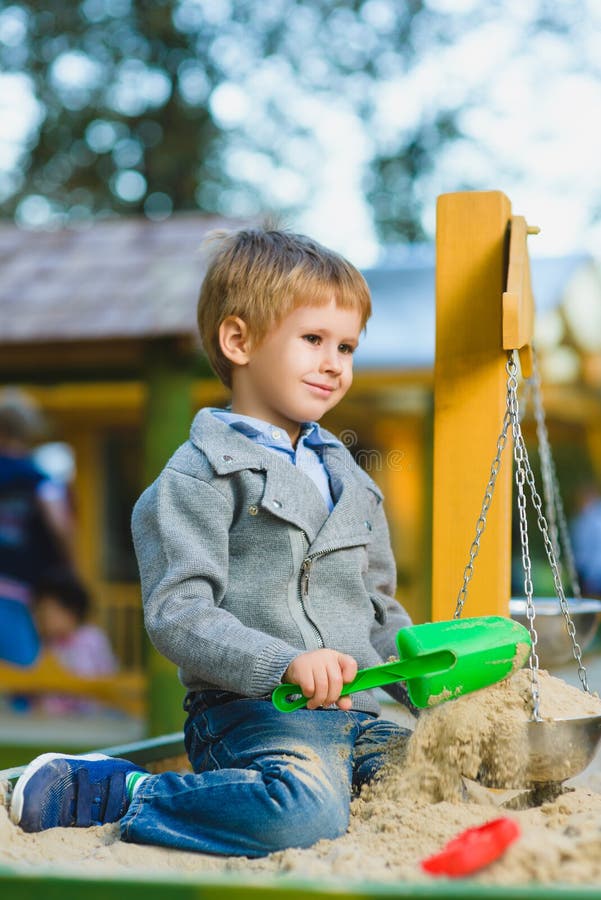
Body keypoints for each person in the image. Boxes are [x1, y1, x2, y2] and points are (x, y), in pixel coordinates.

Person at [9, 227, 415, 856]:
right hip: (249, 713)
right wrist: (282, 661)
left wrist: (420, 675)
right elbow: (179, 613)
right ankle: (122, 792)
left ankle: (271, 794)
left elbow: (377, 608)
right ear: (239, 340)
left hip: (353, 716)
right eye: (313, 340)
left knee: (435, 777)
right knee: (301, 816)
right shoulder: (199, 476)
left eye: (347, 346)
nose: (335, 363)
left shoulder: (352, 479)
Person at [0, 389, 74, 667]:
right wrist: (70, 564)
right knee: (22, 678)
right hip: (17, 591)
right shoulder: (37, 478)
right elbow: (59, 523)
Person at [31, 566, 118, 713]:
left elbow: (101, 676)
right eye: (39, 613)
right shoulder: (49, 645)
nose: (41, 620)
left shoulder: (91, 638)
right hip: (60, 716)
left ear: (71, 611)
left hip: (93, 711)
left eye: (47, 612)